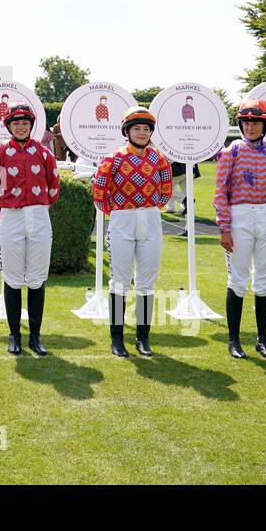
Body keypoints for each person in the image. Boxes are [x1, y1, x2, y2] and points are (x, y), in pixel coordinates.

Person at [92, 107, 173, 358]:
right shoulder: (113, 158)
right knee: (120, 280)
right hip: (122, 219)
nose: (142, 133)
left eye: (146, 129)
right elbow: (99, 190)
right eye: (137, 128)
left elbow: (166, 190)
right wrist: (116, 211)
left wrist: (148, 208)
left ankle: (143, 338)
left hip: (150, 218)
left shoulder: (159, 158)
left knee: (147, 281)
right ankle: (117, 339)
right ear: (126, 131)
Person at [214, 99, 266, 359]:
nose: (251, 126)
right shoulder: (230, 152)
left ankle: (263, 339)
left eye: (256, 122)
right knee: (237, 279)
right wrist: (224, 227)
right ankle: (234, 339)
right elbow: (220, 192)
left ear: (265, 124)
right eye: (246, 121)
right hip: (240, 216)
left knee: (264, 281)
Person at [0, 101, 61, 356]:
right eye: (15, 123)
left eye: (24, 122)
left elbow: (54, 184)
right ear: (8, 125)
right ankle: (14, 335)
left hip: (38, 215)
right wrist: (1, 212)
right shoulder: (0, 154)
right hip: (11, 217)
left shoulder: (44, 153)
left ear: (31, 125)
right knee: (13, 278)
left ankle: (35, 337)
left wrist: (39, 209)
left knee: (37, 277)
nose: (20, 126)